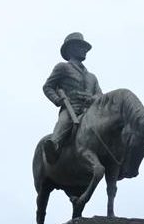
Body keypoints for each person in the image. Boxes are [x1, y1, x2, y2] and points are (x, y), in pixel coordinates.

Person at [42, 33, 103, 163]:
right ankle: (54, 145)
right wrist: (58, 100)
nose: (84, 50)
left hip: (90, 111)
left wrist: (93, 98)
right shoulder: (62, 67)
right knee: (64, 122)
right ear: (70, 49)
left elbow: (100, 95)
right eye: (81, 46)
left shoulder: (92, 77)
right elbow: (48, 87)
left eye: (85, 48)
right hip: (71, 108)